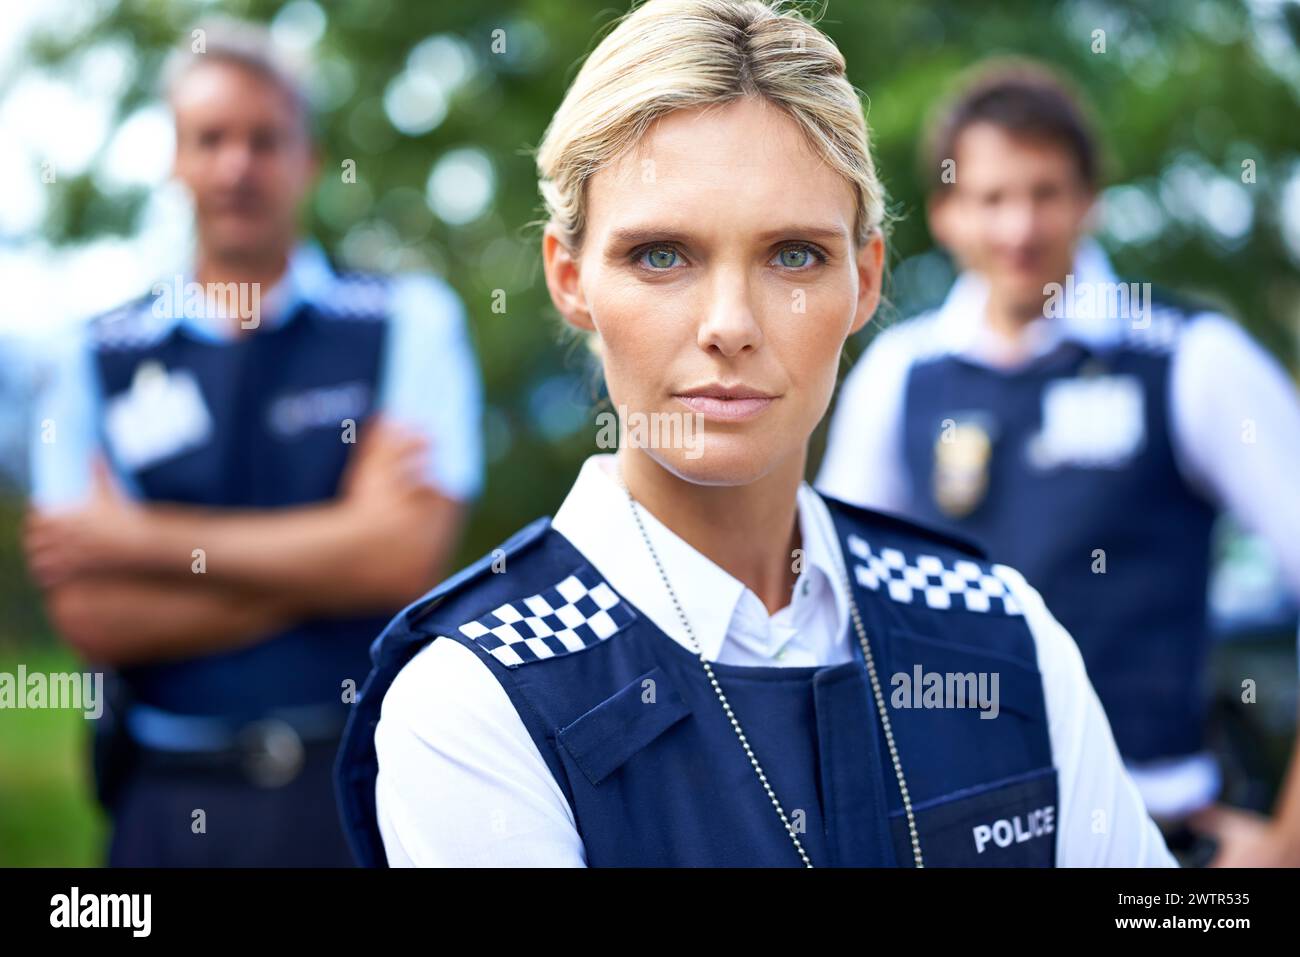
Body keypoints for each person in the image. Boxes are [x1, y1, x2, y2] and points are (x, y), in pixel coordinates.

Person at [335, 0, 1172, 867]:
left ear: (866, 279)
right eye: (662, 255)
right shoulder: (473, 695)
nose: (729, 324)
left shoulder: (1001, 627)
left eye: (794, 255)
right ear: (570, 277)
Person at [817, 61, 1300, 866]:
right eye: (991, 197)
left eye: (1044, 192)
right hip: (947, 840)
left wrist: (1287, 844)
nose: (1019, 227)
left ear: (1089, 199)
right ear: (944, 213)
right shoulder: (899, 376)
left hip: (1159, 845)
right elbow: (828, 617)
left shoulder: (1188, 356)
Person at [23, 20, 483, 866]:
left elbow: (406, 559)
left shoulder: (405, 321)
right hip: (163, 803)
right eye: (211, 138)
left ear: (308, 158)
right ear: (174, 156)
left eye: (265, 139)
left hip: (358, 793)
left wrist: (138, 540)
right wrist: (339, 555)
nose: (238, 165)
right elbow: (93, 613)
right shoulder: (88, 353)